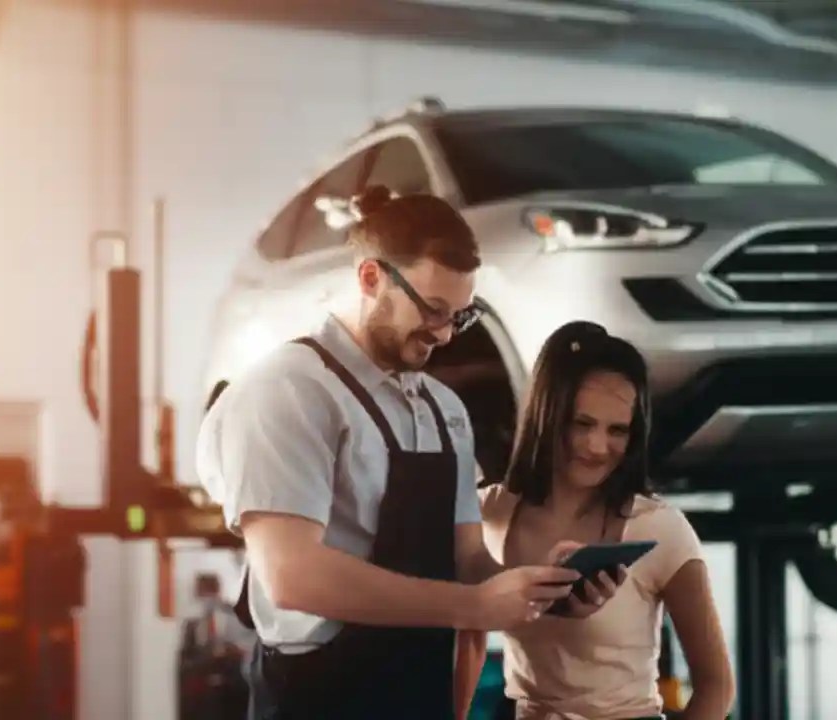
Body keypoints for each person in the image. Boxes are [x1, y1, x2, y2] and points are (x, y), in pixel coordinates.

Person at [196, 186, 613, 720]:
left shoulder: (444, 410)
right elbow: (292, 575)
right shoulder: (289, 390)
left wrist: (543, 584)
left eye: (460, 317)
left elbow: (465, 562)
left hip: (421, 695)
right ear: (371, 278)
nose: (444, 335)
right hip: (319, 701)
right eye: (433, 309)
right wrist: (474, 606)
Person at [455, 321, 735, 720]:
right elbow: (463, 627)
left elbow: (716, 686)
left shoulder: (658, 527)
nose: (597, 447)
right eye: (581, 424)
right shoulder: (491, 512)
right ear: (547, 415)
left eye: (617, 430)